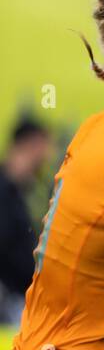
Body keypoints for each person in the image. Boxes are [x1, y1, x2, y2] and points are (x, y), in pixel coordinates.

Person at [0, 118, 54, 323]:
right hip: (9, 302)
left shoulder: (20, 191)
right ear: (28, 145)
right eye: (42, 147)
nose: (46, 156)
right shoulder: (5, 190)